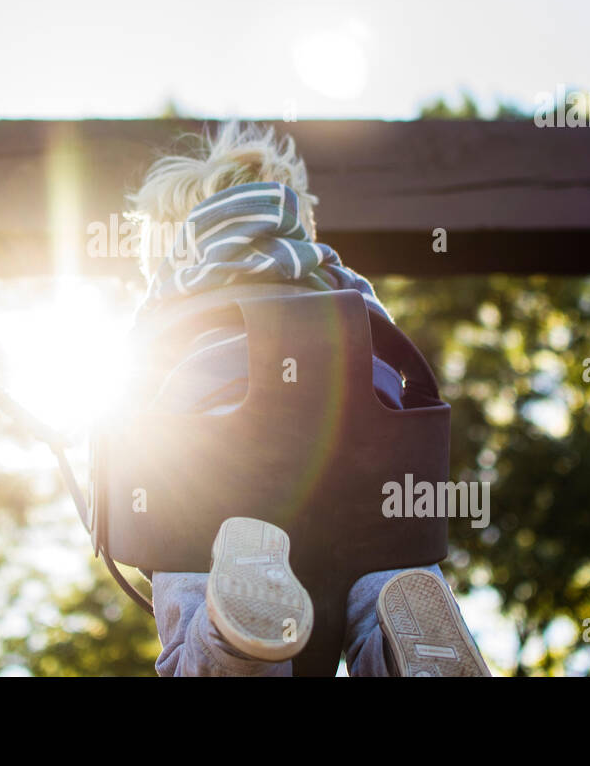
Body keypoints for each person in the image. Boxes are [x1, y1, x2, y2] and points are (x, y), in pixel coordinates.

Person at [125, 120, 490, 677]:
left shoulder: (179, 283)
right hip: (364, 462)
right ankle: (400, 640)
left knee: (193, 582)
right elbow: (388, 349)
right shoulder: (337, 277)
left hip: (206, 474)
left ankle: (229, 637)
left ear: (174, 235)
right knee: (378, 586)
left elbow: (132, 388)